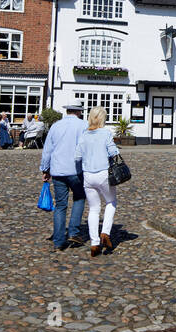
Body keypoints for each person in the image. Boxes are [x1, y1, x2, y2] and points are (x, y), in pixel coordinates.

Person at [39, 103, 88, 250]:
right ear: (79, 112)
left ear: (67, 111)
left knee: (60, 205)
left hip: (58, 170)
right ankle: (73, 232)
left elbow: (48, 149)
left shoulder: (55, 126)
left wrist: (45, 169)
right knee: (79, 198)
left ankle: (59, 241)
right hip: (76, 170)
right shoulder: (84, 125)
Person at [75, 106, 120, 257]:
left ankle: (94, 243)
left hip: (88, 175)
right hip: (103, 173)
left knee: (94, 208)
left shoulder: (84, 134)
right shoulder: (106, 133)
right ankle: (105, 232)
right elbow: (114, 152)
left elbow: (77, 156)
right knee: (111, 202)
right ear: (103, 119)